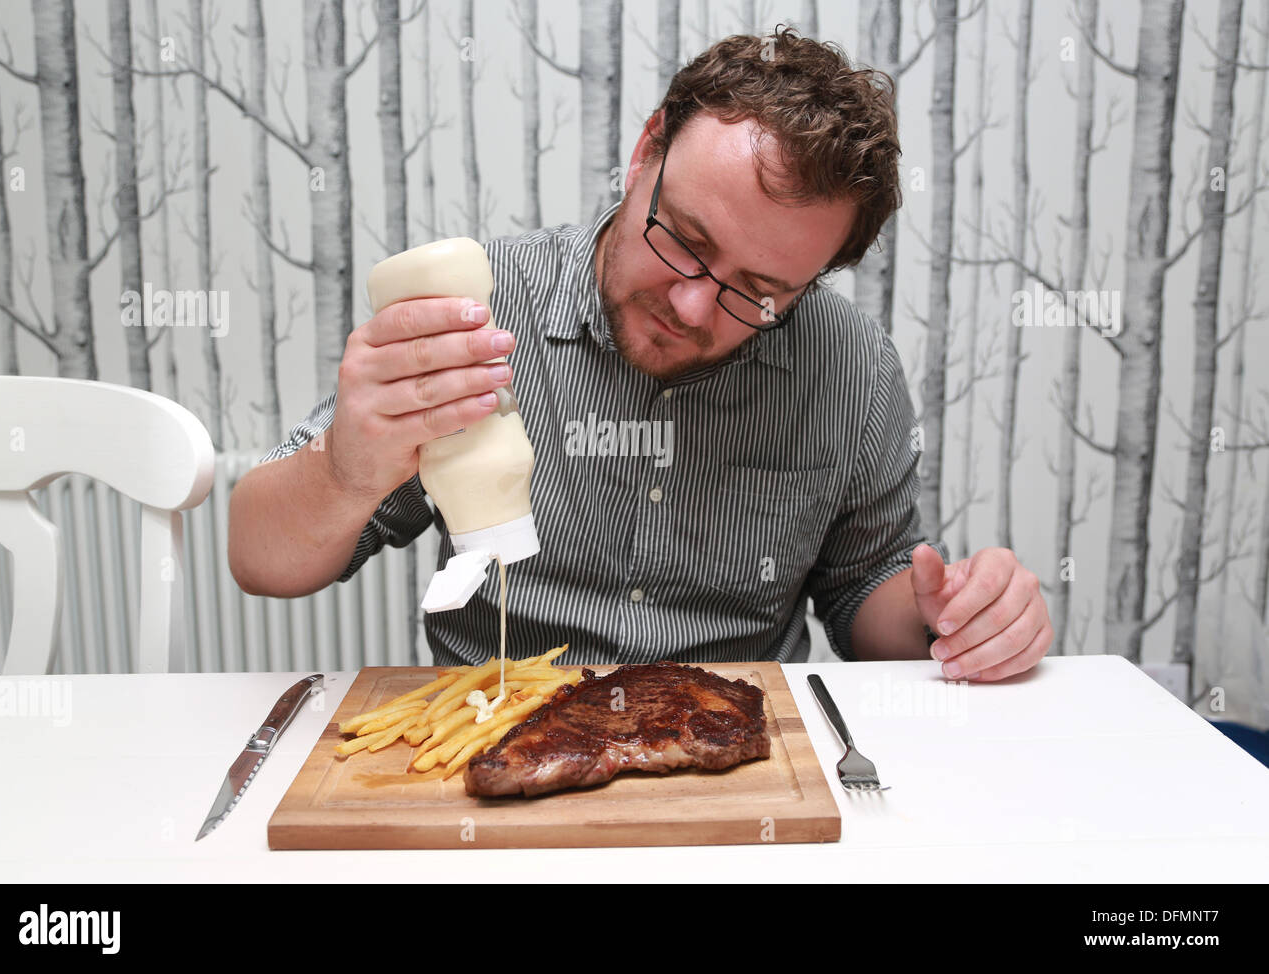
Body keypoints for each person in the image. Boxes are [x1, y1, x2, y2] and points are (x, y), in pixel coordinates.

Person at [229, 27, 1052, 678]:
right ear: (646, 152)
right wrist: (345, 468)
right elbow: (260, 561)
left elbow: (867, 594)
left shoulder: (852, 367)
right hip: (493, 755)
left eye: (759, 292)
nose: (694, 306)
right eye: (685, 240)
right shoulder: (479, 303)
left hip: (734, 771)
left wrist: (959, 620)